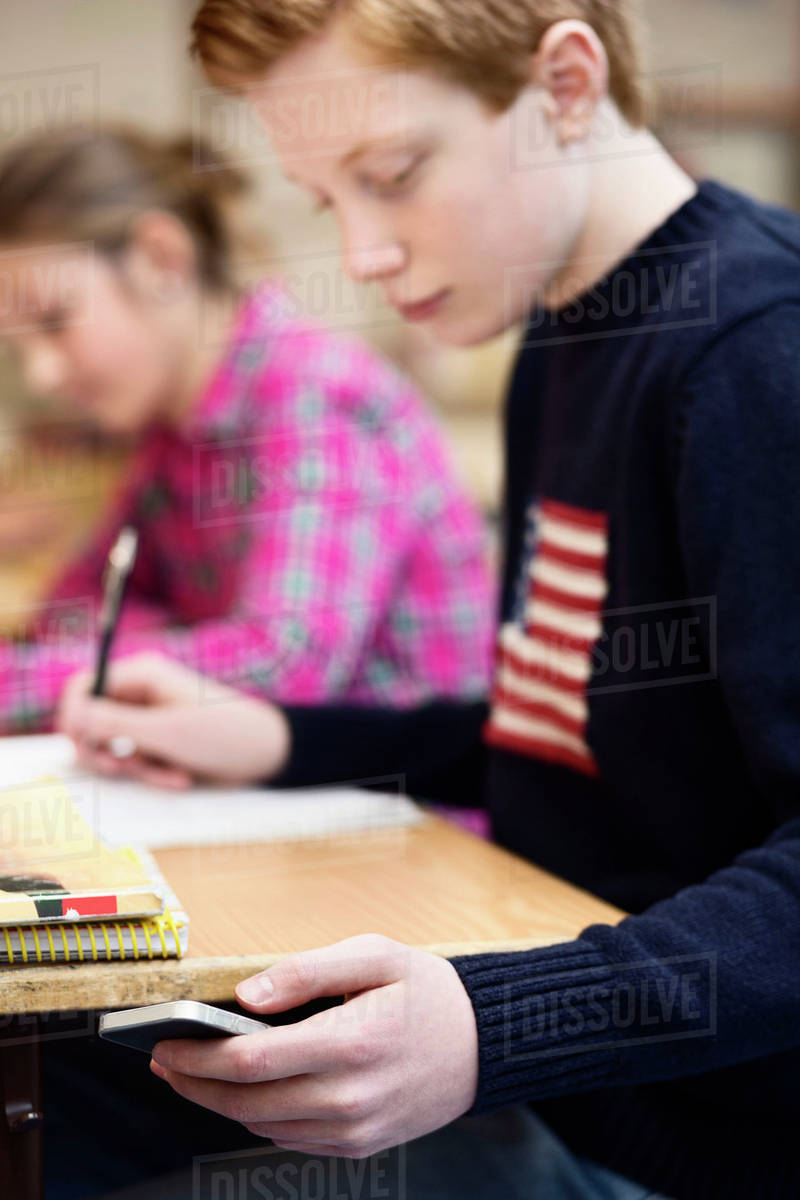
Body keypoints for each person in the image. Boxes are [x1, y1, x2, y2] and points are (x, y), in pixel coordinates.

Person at [58, 0, 800, 1196]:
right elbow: (570, 737)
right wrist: (280, 738)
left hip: (694, 1138)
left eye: (392, 174)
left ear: (564, 84)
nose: (359, 253)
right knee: (76, 1077)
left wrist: (494, 1026)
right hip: (569, 1069)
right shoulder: (561, 330)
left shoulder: (754, 357)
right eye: (324, 200)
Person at [0, 124, 493, 738]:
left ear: (162, 258)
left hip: (411, 813)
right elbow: (68, 614)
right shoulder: (169, 432)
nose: (42, 375)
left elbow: (283, 666)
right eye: (19, 350)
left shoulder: (314, 394)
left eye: (54, 322)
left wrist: (38, 678)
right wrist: (190, 647)